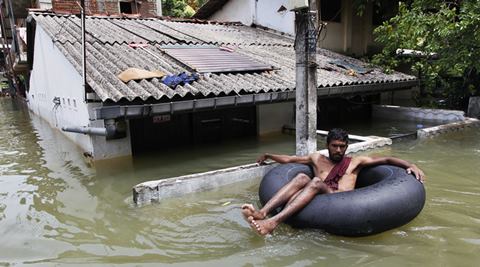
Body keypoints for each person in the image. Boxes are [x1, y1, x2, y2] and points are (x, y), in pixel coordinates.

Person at [242, 128, 425, 235]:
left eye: (342, 146)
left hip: (342, 204)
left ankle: (273, 222)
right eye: (334, 146)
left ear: (346, 147)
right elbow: (290, 160)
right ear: (328, 145)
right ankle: (262, 213)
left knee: (314, 182)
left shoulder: (355, 162)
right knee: (302, 177)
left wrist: (412, 165)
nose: (338, 150)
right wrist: (269, 155)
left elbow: (387, 160)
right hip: (321, 198)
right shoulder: (316, 158)